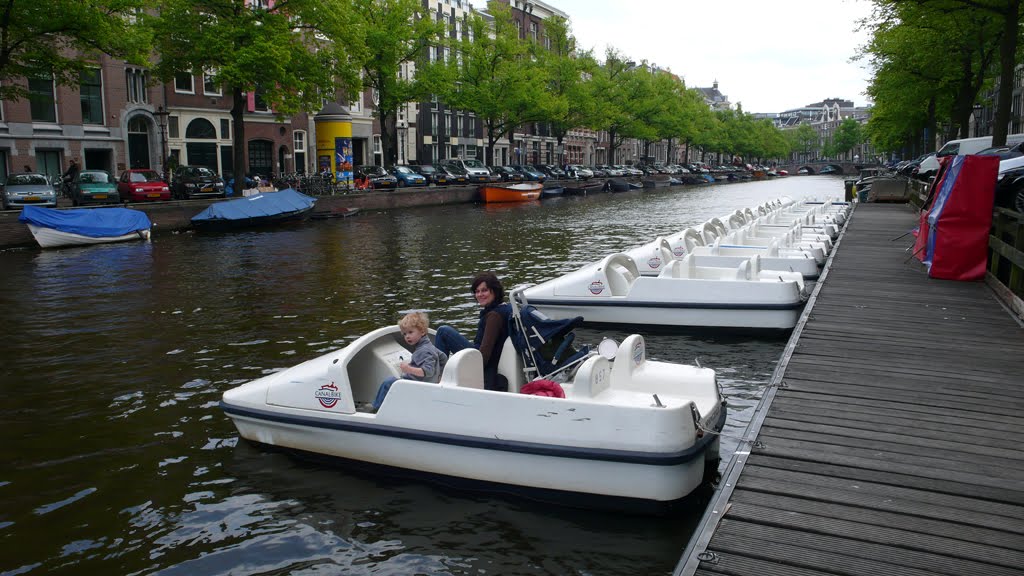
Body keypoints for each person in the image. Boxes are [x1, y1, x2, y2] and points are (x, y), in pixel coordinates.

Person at [433, 272, 512, 392]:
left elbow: (483, 357)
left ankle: (437, 381)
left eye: (484, 290)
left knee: (443, 332)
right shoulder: (506, 308)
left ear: (494, 291)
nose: (480, 294)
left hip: (481, 366)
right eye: (477, 291)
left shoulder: (494, 316)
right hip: (485, 360)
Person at [370, 312, 447, 411]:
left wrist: (408, 369)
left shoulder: (424, 350)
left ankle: (376, 409)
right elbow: (443, 358)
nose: (407, 336)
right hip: (426, 383)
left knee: (389, 382)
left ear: (422, 332)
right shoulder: (430, 346)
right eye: (405, 334)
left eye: (411, 332)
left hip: (418, 385)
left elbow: (428, 371)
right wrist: (439, 376)